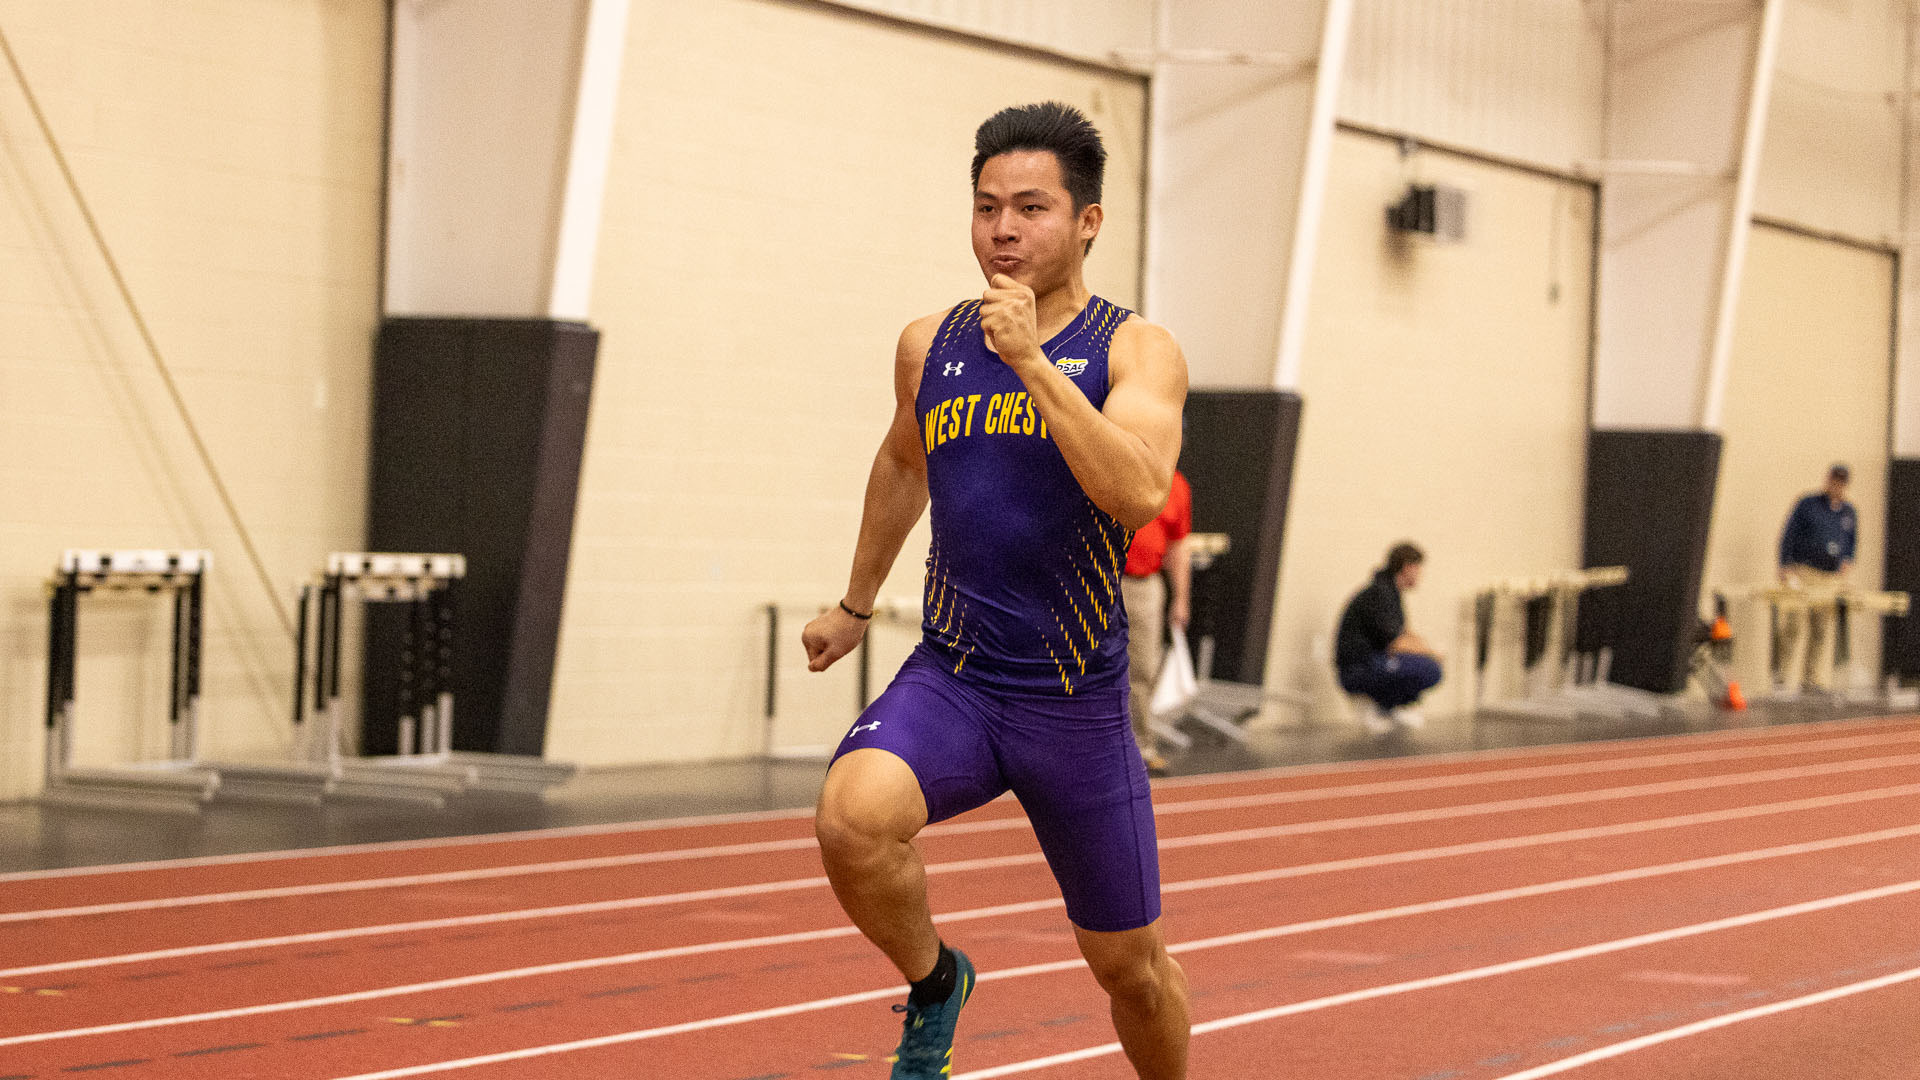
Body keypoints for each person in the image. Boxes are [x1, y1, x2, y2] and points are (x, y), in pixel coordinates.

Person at [801, 102, 1192, 1079]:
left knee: (1129, 969)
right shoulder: (929, 342)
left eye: (1030, 208)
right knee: (852, 817)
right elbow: (903, 464)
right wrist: (854, 605)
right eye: (985, 207)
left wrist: (1031, 361)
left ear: (1087, 221)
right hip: (959, 678)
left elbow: (1137, 491)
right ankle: (938, 982)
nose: (1003, 230)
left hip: (1073, 705)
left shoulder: (1134, 350)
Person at [1123, 468, 1192, 775]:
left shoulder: (1176, 486)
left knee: (1142, 670)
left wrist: (1181, 598)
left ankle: (1140, 746)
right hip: (1106, 578)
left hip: (1146, 583)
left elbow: (1179, 545)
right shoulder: (1122, 468)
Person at [1335, 542, 1442, 735]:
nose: (1420, 574)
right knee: (1429, 669)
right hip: (1357, 667)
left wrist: (1426, 649)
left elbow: (1405, 633)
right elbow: (1397, 642)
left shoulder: (1391, 594)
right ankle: (1383, 704)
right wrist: (1432, 653)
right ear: (1408, 567)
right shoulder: (1380, 594)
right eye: (1418, 568)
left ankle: (1389, 704)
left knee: (1425, 663)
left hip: (1370, 661)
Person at [1775, 463, 1858, 693]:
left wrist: (1846, 565)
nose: (1837, 486)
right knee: (1794, 624)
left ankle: (1810, 680)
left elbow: (1851, 545)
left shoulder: (1848, 512)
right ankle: (1782, 678)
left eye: (1842, 482)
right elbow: (1788, 535)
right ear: (1828, 480)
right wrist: (1785, 565)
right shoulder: (1808, 505)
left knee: (1821, 629)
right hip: (1805, 572)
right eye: (1834, 480)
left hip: (1829, 577)